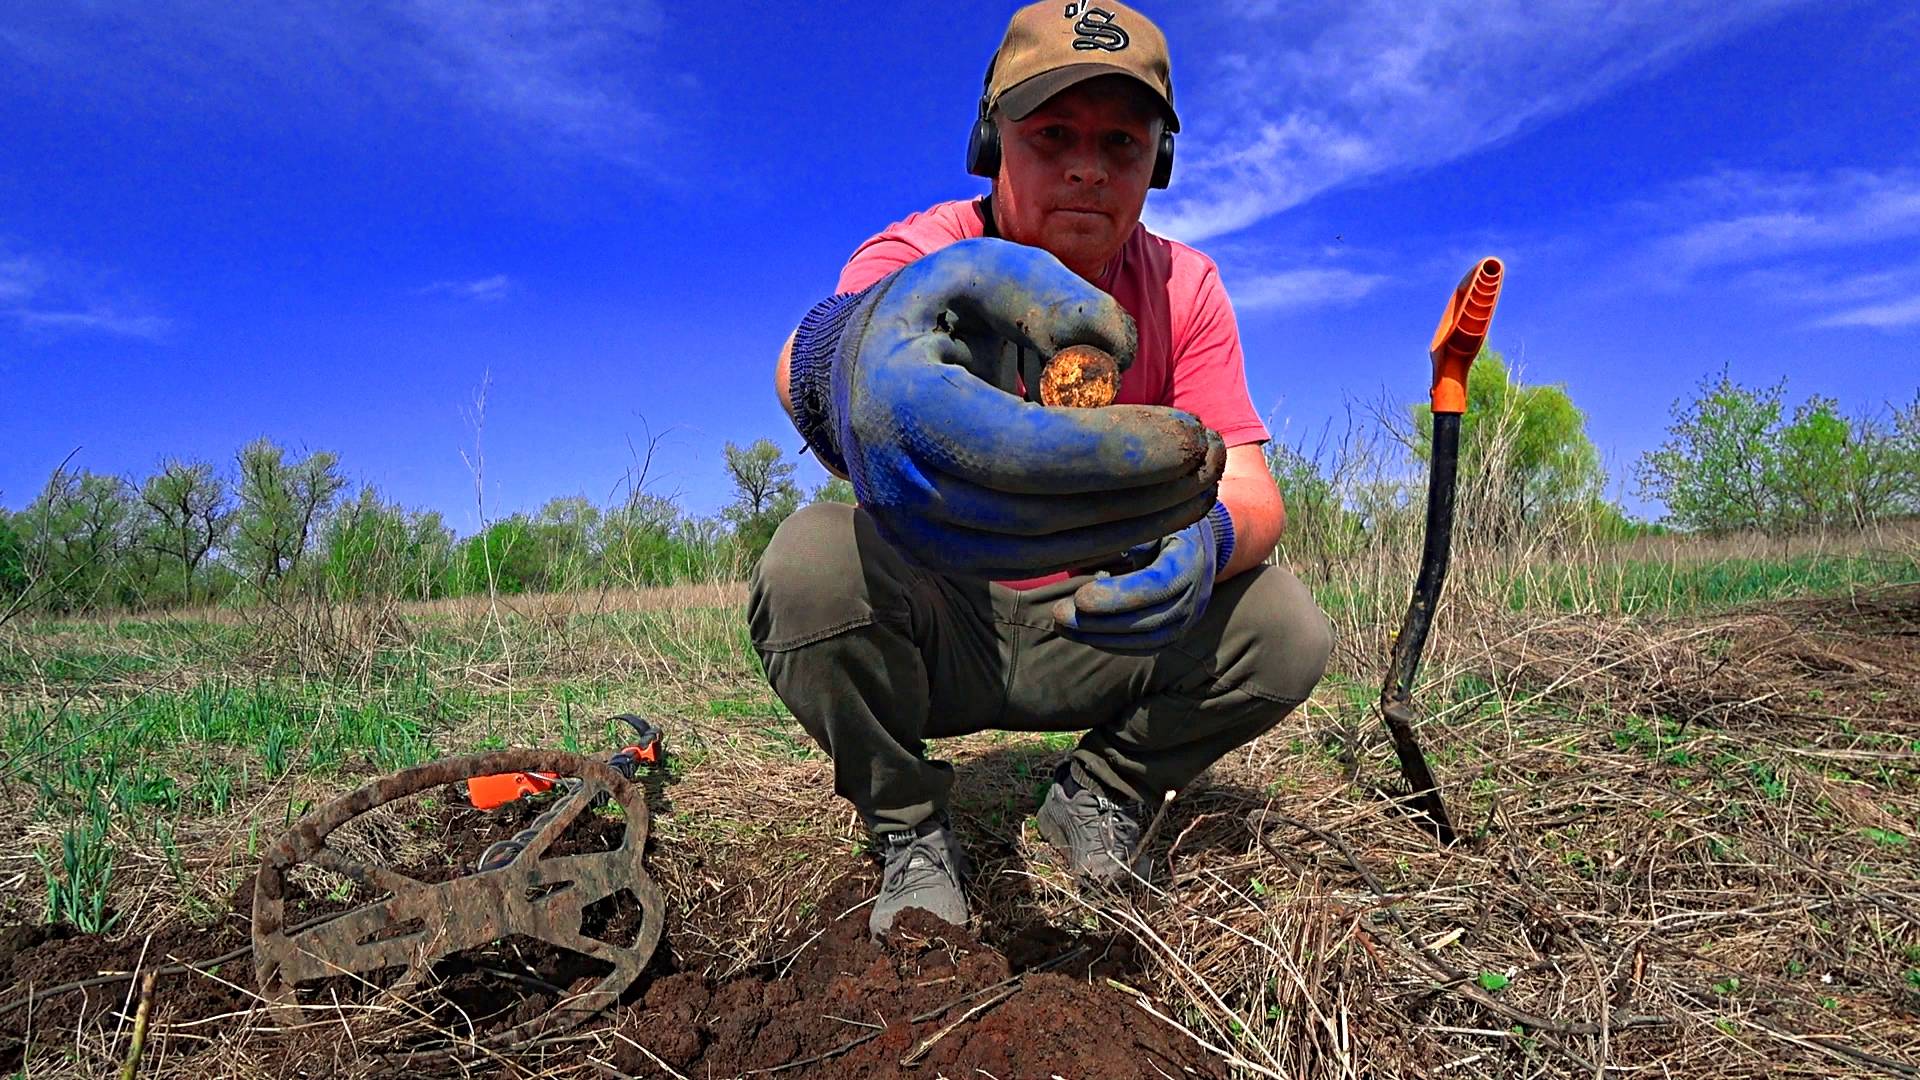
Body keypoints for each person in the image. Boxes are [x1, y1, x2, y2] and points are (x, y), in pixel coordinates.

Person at [749, 1, 1333, 939]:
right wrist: (845, 364)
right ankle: (908, 827)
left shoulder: (1187, 286)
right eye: (1052, 134)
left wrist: (1209, 540)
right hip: (948, 621)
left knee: (1284, 626)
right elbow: (797, 359)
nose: (1088, 167)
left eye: (1122, 142)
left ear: (1160, 164)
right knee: (807, 565)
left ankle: (1102, 790)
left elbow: (1251, 486)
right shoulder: (928, 250)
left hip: (1101, 623)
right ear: (992, 143)